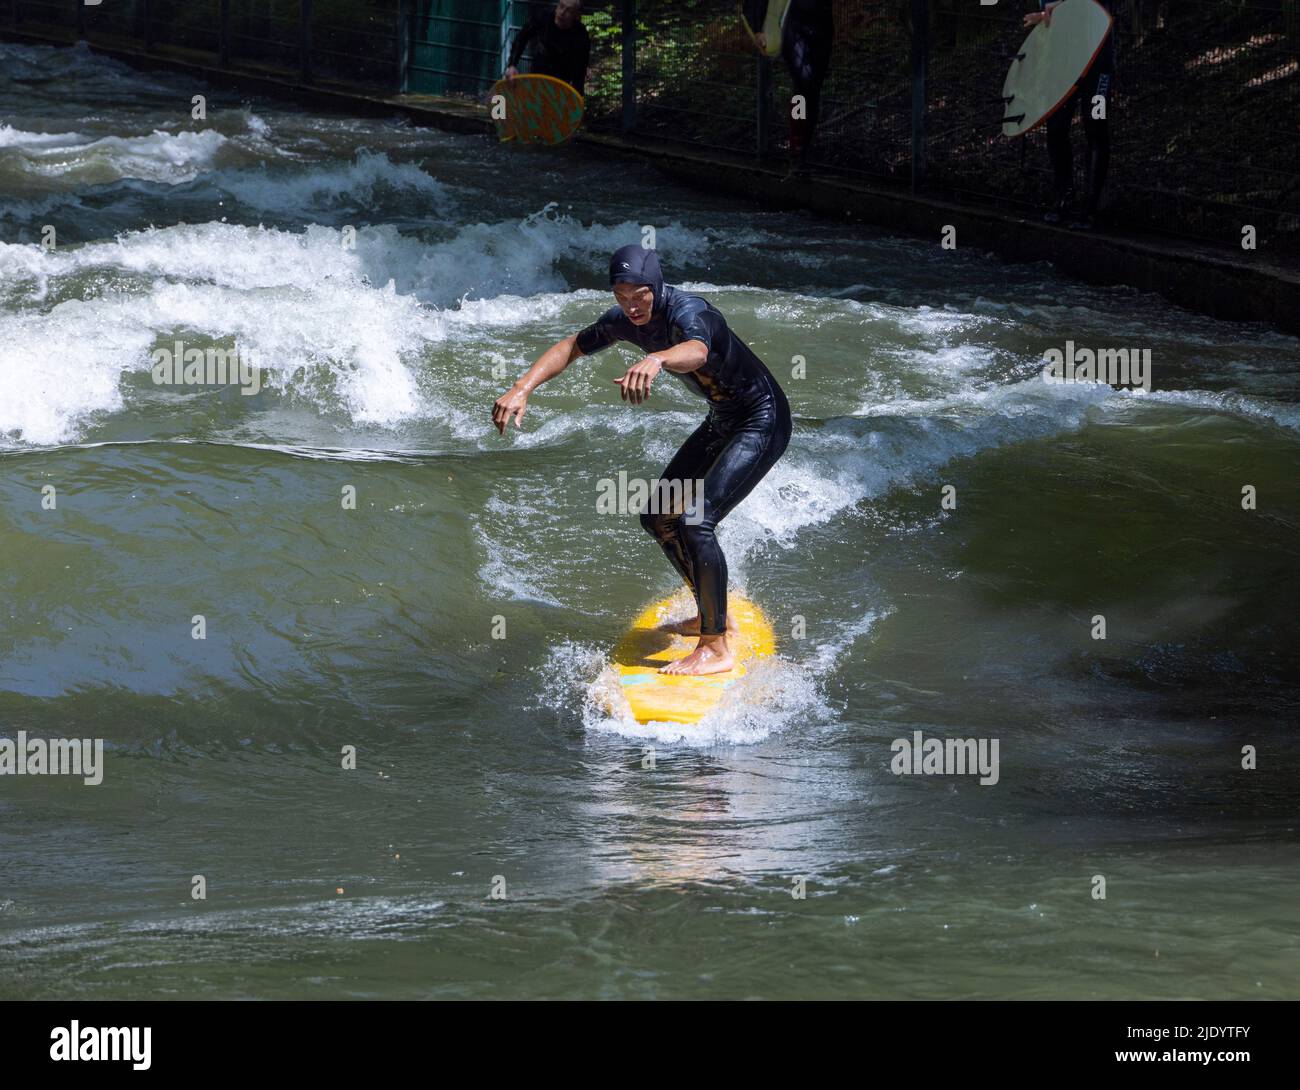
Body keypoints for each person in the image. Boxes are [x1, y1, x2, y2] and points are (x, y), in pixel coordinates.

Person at [492, 246, 793, 677]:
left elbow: (697, 351)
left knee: (696, 520)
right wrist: (523, 387)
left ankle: (715, 648)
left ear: (657, 286)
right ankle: (715, 615)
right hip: (724, 419)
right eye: (621, 295)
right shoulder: (624, 320)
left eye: (640, 295)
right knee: (657, 517)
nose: (631, 306)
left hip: (762, 419)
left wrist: (656, 358)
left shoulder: (688, 312)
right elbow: (572, 346)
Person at [1025, 0, 1115, 229]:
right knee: (1055, 127)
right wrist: (1043, 16)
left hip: (1098, 66)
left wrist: (1058, 6)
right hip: (1063, 66)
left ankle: (1091, 208)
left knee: (1096, 126)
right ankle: (1064, 197)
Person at [745, 0, 835, 177]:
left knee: (813, 91)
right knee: (803, 84)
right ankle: (797, 149)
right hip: (793, 24)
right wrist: (757, 27)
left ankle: (803, 151)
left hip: (822, 24)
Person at [505, 0, 591, 97]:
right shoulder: (543, 17)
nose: (562, 12)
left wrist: (577, 97)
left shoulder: (580, 34)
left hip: (562, 77)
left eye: (569, 11)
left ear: (576, 15)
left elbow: (580, 70)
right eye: (561, 6)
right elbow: (521, 37)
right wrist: (512, 64)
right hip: (539, 70)